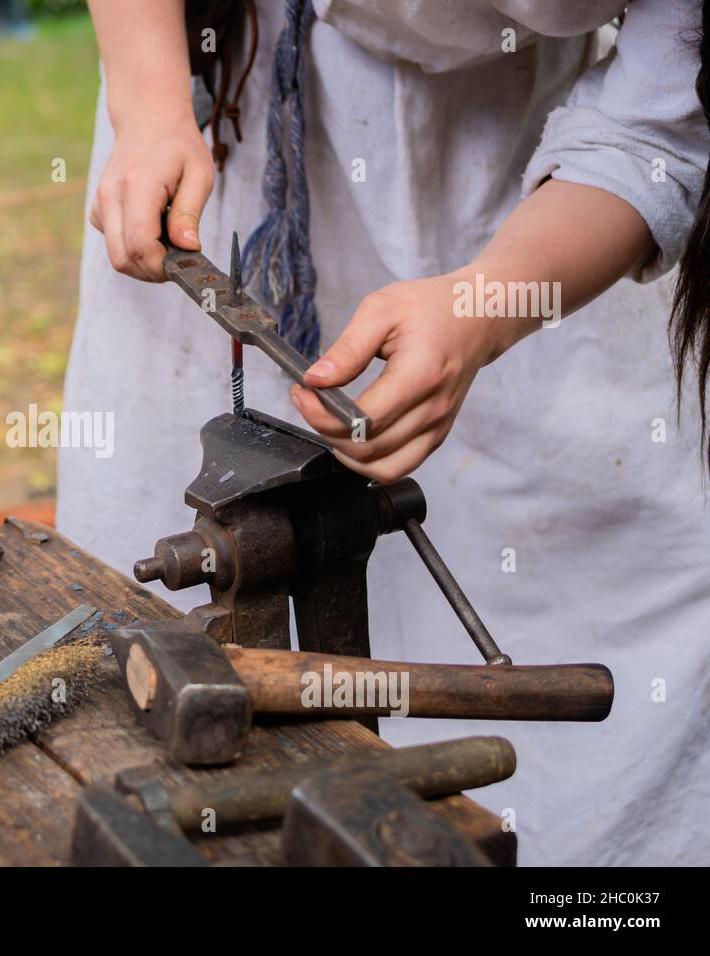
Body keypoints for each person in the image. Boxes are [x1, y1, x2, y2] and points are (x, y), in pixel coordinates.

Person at [57, 0, 710, 865]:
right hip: (225, 126)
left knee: (588, 644)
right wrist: (148, 106)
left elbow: (653, 130)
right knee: (134, 664)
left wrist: (481, 313)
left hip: (546, 206)